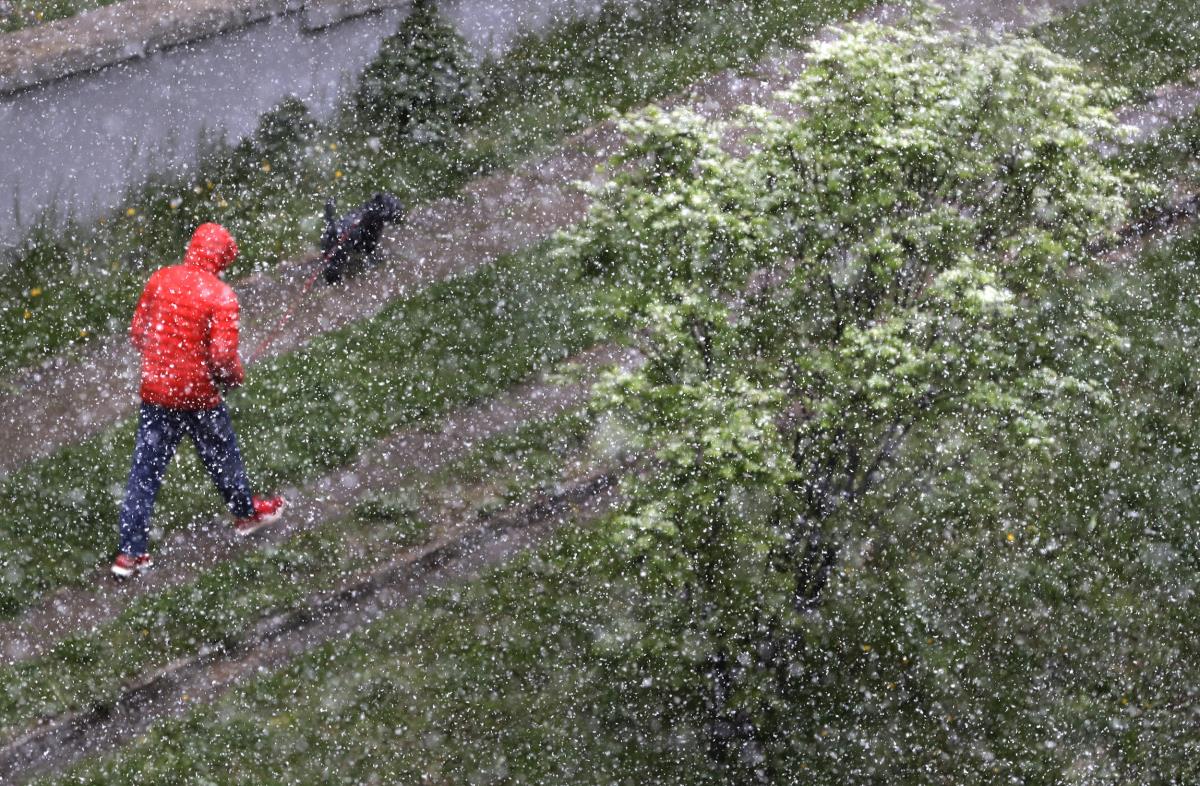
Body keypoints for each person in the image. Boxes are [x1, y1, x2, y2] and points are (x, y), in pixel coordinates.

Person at [111, 222, 284, 578]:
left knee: (144, 472)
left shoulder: (160, 280)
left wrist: (165, 363)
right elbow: (222, 358)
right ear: (221, 257)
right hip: (200, 398)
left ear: (193, 248)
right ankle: (245, 514)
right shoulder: (221, 296)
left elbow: (138, 334)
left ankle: (130, 555)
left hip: (157, 394)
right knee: (223, 457)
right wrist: (233, 378)